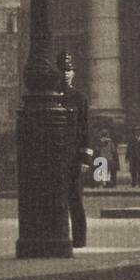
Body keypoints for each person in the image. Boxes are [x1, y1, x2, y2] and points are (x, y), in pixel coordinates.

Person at [59, 52, 92, 249]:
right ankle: (60, 238)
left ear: (74, 73)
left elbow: (85, 129)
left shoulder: (80, 98)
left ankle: (79, 241)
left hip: (73, 159)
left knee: (75, 200)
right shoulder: (50, 96)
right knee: (55, 200)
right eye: (62, 70)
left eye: (69, 70)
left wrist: (85, 159)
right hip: (55, 159)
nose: (65, 74)